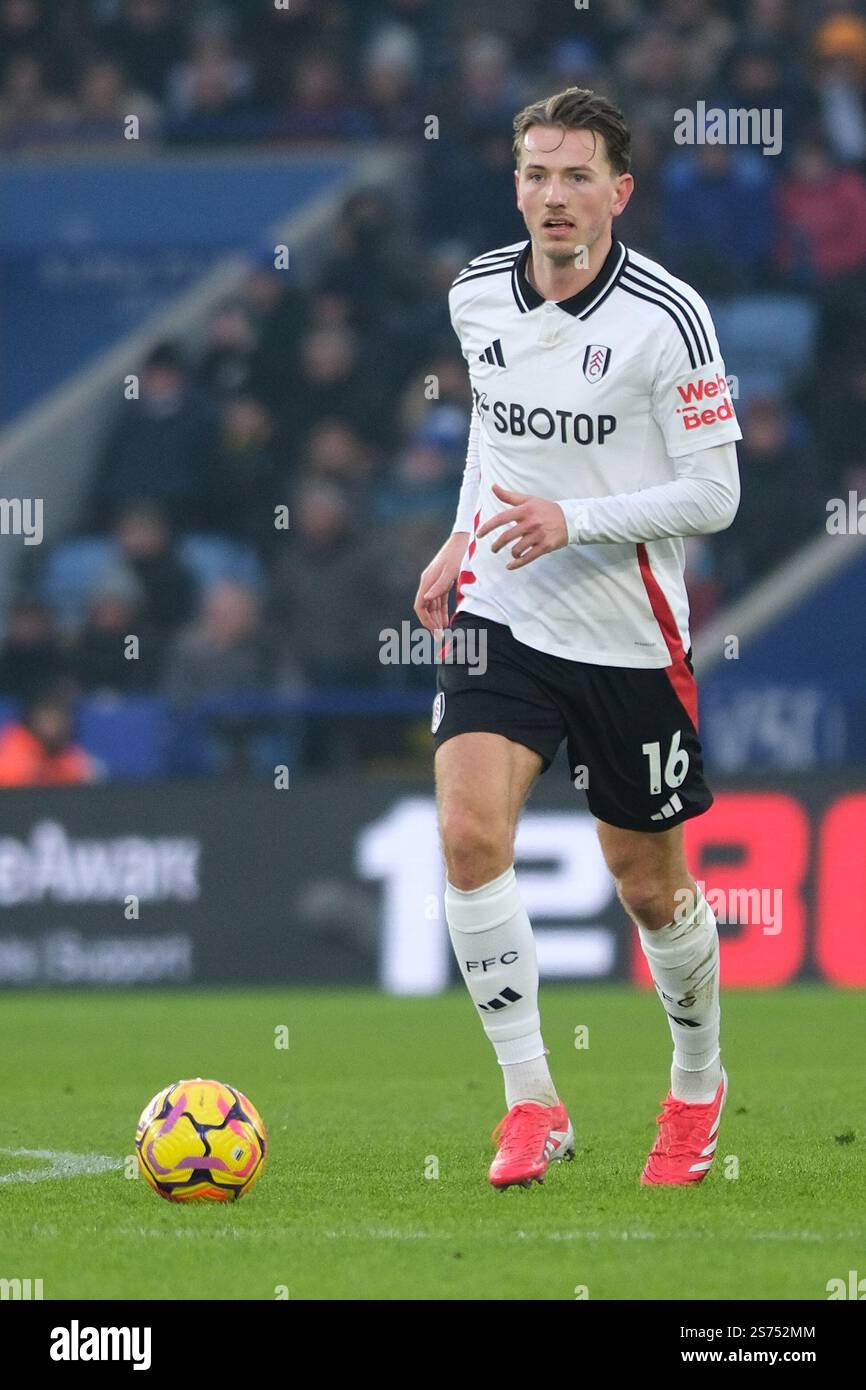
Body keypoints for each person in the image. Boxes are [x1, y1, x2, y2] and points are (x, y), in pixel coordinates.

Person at [413, 87, 742, 1191]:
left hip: (626, 637)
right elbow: (491, 427)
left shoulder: (669, 319)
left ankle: (695, 1085)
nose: (553, 196)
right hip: (503, 609)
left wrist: (575, 521)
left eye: (575, 176)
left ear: (618, 192)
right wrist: (463, 537)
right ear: (515, 184)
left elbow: (715, 494)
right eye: (536, 174)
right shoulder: (473, 294)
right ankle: (530, 1101)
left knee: (646, 884)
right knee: (465, 831)